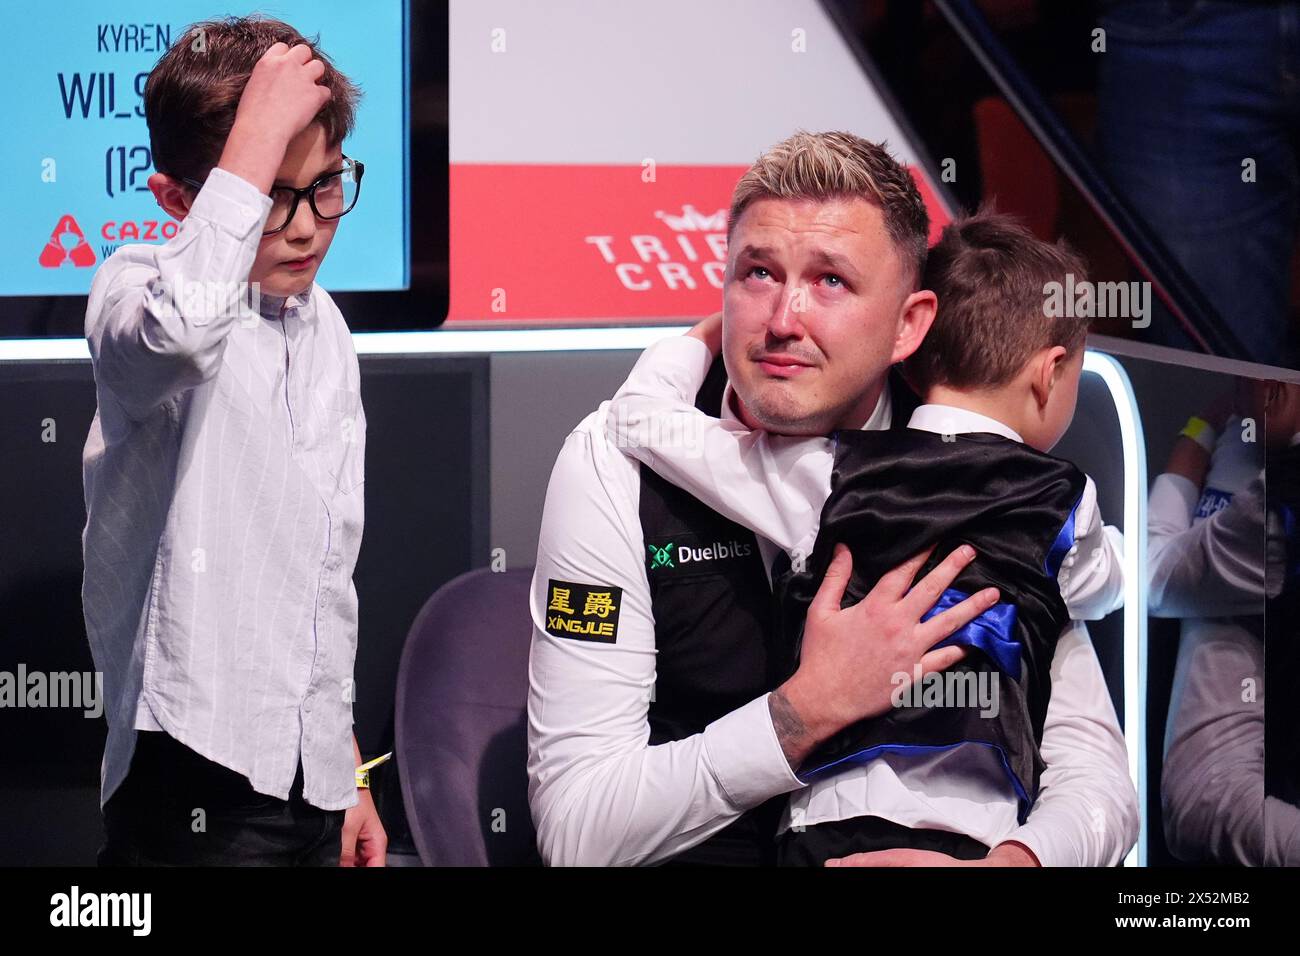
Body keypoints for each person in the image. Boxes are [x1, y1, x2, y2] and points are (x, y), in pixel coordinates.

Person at [526, 130, 1138, 866]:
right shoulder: (616, 462)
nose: (784, 319)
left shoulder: (978, 478)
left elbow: (1096, 781)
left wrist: (1014, 862)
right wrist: (805, 711)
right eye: (757, 273)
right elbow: (577, 833)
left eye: (831, 282)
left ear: (910, 324)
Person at [82, 16, 385, 866]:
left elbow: (316, 579)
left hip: (307, 782)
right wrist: (253, 137)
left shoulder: (326, 328)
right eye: (268, 196)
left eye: (325, 186)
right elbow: (181, 334)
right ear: (182, 199)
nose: (304, 227)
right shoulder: (132, 288)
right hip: (191, 770)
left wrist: (346, 767)